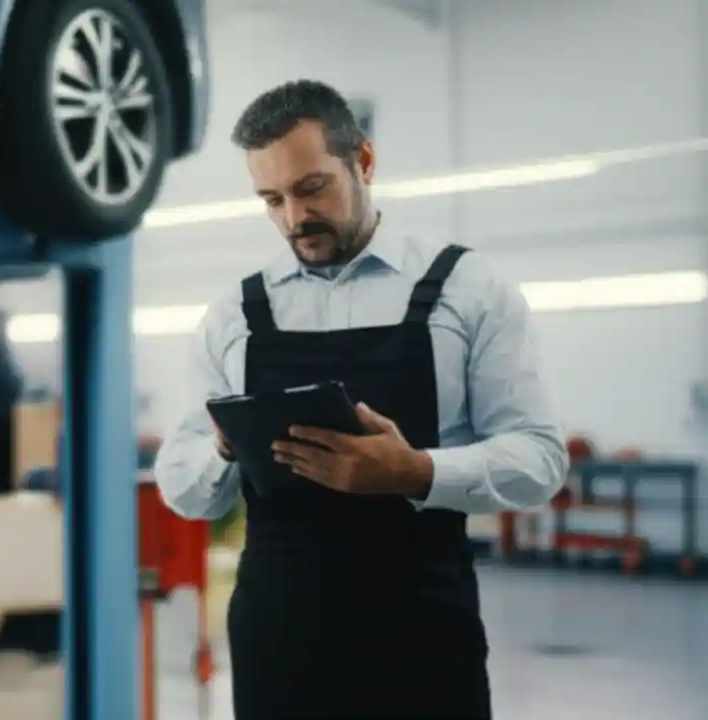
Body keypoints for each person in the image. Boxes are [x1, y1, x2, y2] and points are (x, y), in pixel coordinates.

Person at [153, 80, 568, 719]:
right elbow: (185, 488)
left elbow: (541, 459)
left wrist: (417, 472)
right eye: (272, 199)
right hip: (279, 639)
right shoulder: (234, 314)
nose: (293, 218)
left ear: (364, 162)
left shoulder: (467, 289)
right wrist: (221, 447)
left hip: (424, 637)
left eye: (311, 187)